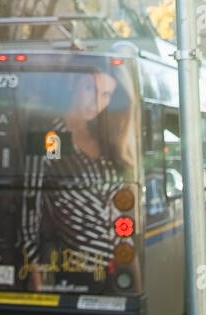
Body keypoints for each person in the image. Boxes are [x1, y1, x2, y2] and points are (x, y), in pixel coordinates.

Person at [19, 66, 139, 295]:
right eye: (90, 89)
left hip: (119, 264)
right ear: (74, 83)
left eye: (106, 95)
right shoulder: (54, 137)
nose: (96, 102)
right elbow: (31, 204)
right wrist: (34, 271)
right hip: (75, 266)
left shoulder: (103, 137)